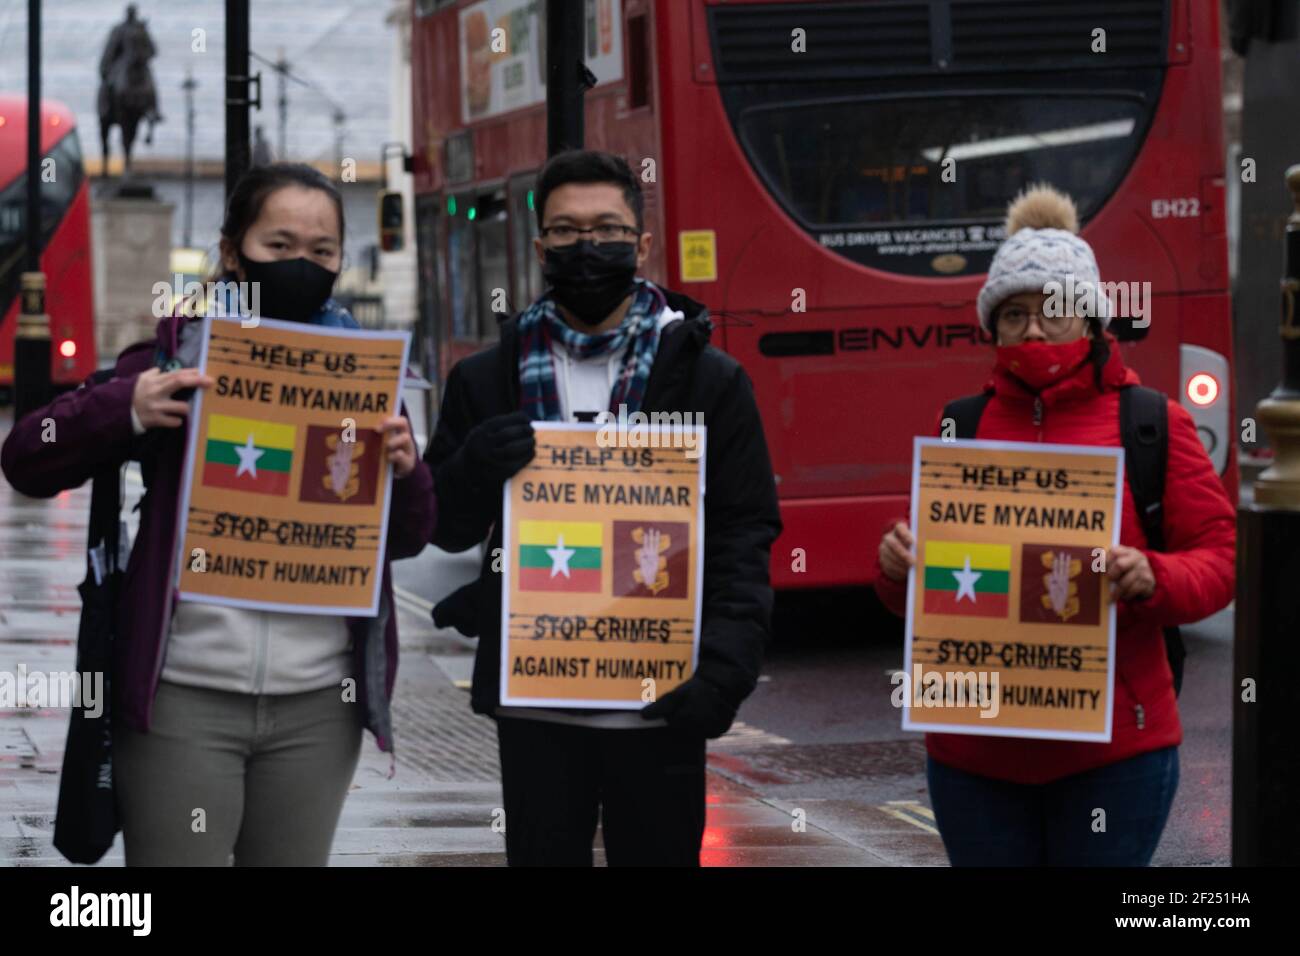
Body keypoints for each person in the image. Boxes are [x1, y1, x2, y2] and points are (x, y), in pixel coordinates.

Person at [1, 163, 435, 866]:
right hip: (184, 699)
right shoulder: (174, 358)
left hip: (320, 705)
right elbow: (27, 456)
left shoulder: (367, 378)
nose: (302, 266)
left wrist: (409, 474)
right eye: (279, 246)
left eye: (322, 253)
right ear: (232, 251)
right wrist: (128, 408)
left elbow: (413, 537)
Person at [425, 150, 782, 866]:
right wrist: (469, 470)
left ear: (642, 244)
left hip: (662, 703)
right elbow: (442, 524)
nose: (587, 248)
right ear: (539, 247)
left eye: (607, 230)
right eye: (565, 232)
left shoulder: (711, 381)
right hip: (535, 710)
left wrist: (723, 672)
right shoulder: (485, 378)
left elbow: (746, 532)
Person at [874, 184, 1235, 867]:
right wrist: (896, 571)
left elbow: (1219, 557)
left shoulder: (1152, 422)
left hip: (1114, 757)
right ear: (993, 326)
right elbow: (925, 597)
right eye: (1014, 314)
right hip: (974, 758)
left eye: (1054, 310)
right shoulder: (964, 422)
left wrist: (1152, 575)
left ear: (1093, 319)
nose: (1033, 331)